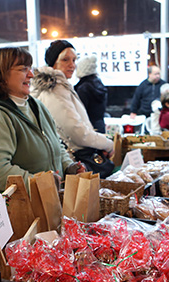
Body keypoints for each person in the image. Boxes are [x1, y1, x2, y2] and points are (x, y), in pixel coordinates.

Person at [0, 47, 83, 207]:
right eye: (23, 69)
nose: (31, 74)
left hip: (37, 204)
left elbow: (55, 144)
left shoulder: (36, 106)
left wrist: (68, 166)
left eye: (30, 68)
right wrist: (38, 184)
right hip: (6, 213)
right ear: (1, 74)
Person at [31, 40, 115, 178]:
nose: (72, 65)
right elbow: (76, 132)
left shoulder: (62, 86)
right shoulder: (54, 90)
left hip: (71, 162)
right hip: (71, 163)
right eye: (65, 60)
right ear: (53, 62)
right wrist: (107, 144)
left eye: (74, 60)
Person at [74, 55, 108, 133]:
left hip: (87, 128)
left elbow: (81, 113)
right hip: (100, 126)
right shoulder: (100, 85)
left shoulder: (83, 89)